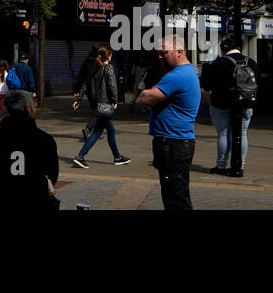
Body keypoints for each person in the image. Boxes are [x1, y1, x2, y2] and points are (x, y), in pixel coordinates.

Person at [137, 35, 200, 210]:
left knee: (176, 198)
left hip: (173, 143)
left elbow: (146, 99)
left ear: (179, 52)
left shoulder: (176, 76)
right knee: (175, 193)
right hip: (176, 142)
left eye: (164, 52)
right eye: (158, 52)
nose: (159, 56)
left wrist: (146, 92)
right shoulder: (187, 72)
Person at [0, 90, 60, 210]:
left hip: (1, 201)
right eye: (33, 106)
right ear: (28, 108)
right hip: (36, 201)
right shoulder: (44, 139)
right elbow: (52, 175)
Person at [203, 35, 257, 176]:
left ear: (223, 50)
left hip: (221, 104)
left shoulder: (219, 63)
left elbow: (207, 85)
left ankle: (221, 165)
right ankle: (240, 164)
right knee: (243, 133)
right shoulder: (250, 62)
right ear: (238, 48)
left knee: (223, 134)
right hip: (246, 103)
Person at [71, 45, 130, 168]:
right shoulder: (108, 68)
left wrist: (79, 99)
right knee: (98, 132)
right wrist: (115, 100)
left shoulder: (95, 68)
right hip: (105, 104)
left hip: (97, 103)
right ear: (108, 56)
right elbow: (112, 85)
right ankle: (81, 157)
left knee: (106, 130)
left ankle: (117, 156)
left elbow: (86, 84)